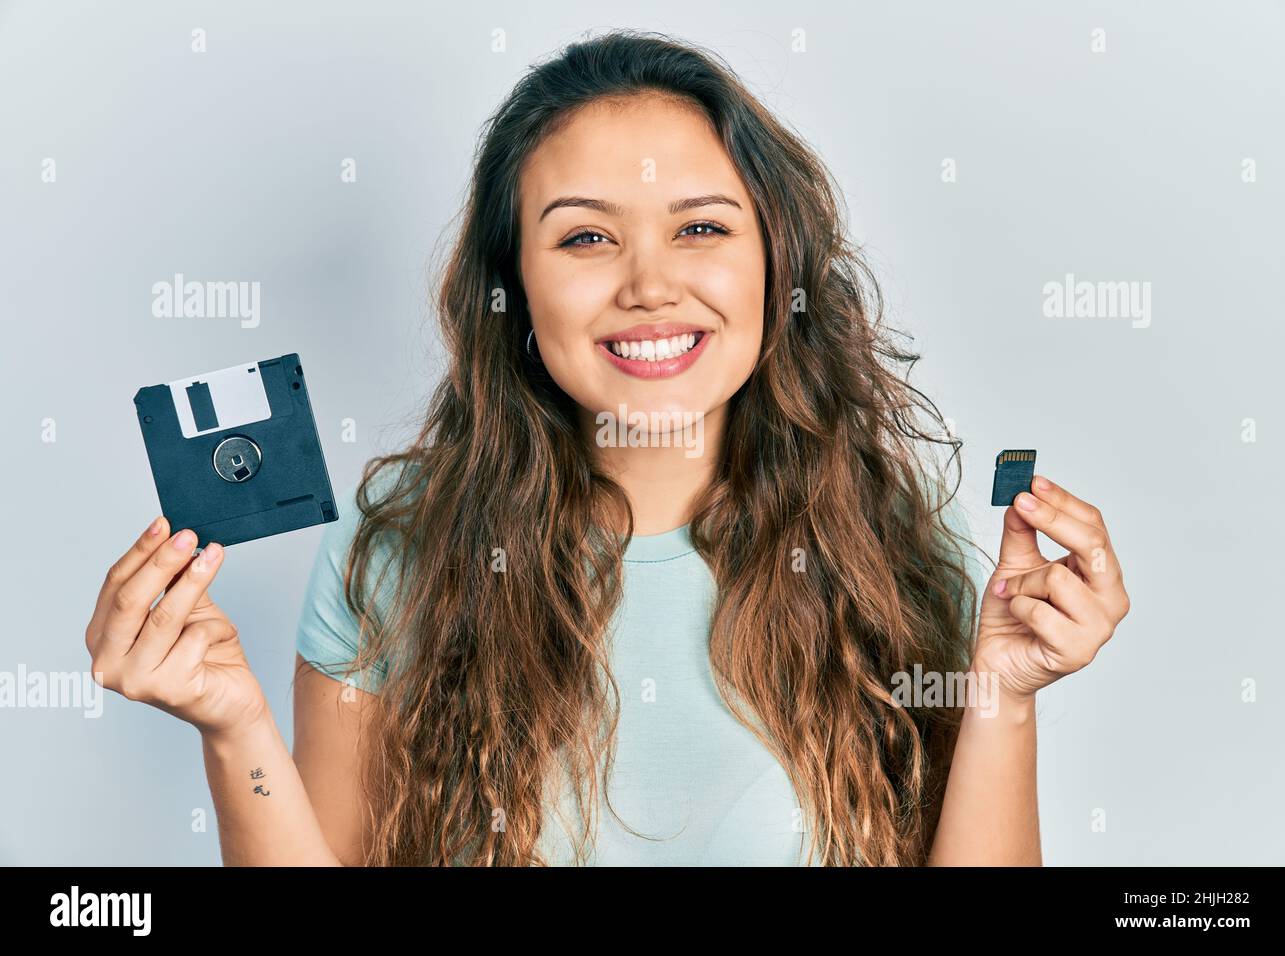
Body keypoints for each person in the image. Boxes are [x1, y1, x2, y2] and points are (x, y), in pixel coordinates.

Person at [84, 30, 1130, 866]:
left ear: (778, 261)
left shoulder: (897, 542)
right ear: (514, 287)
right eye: (586, 236)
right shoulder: (395, 541)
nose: (648, 284)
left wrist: (1003, 691)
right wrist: (232, 728)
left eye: (701, 227)